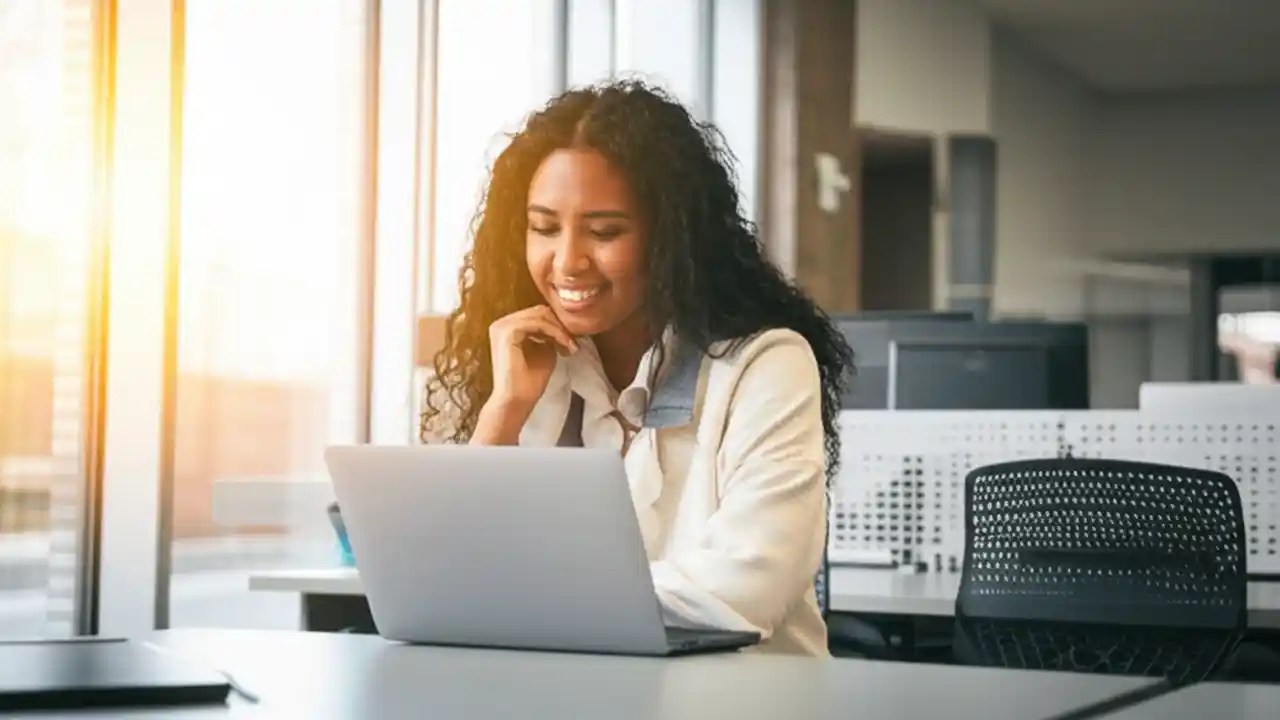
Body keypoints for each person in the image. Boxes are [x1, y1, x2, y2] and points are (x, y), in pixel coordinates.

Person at [420, 80, 854, 656]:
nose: (568, 261)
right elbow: (445, 577)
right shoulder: (531, 369)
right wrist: (503, 414)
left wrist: (530, 601)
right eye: (544, 228)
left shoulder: (763, 366)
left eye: (604, 232)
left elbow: (746, 589)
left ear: (670, 239)